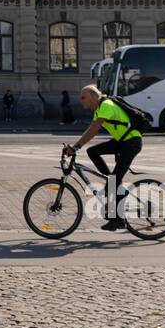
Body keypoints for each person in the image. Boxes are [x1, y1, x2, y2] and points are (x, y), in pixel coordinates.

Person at [64, 85, 143, 232]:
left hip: (131, 142)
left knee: (114, 183)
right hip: (122, 142)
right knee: (93, 151)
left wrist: (75, 147)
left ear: (94, 96)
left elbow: (93, 129)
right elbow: (92, 129)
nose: (81, 100)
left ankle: (118, 221)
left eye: (83, 97)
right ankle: (110, 179)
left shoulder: (105, 104)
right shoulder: (98, 110)